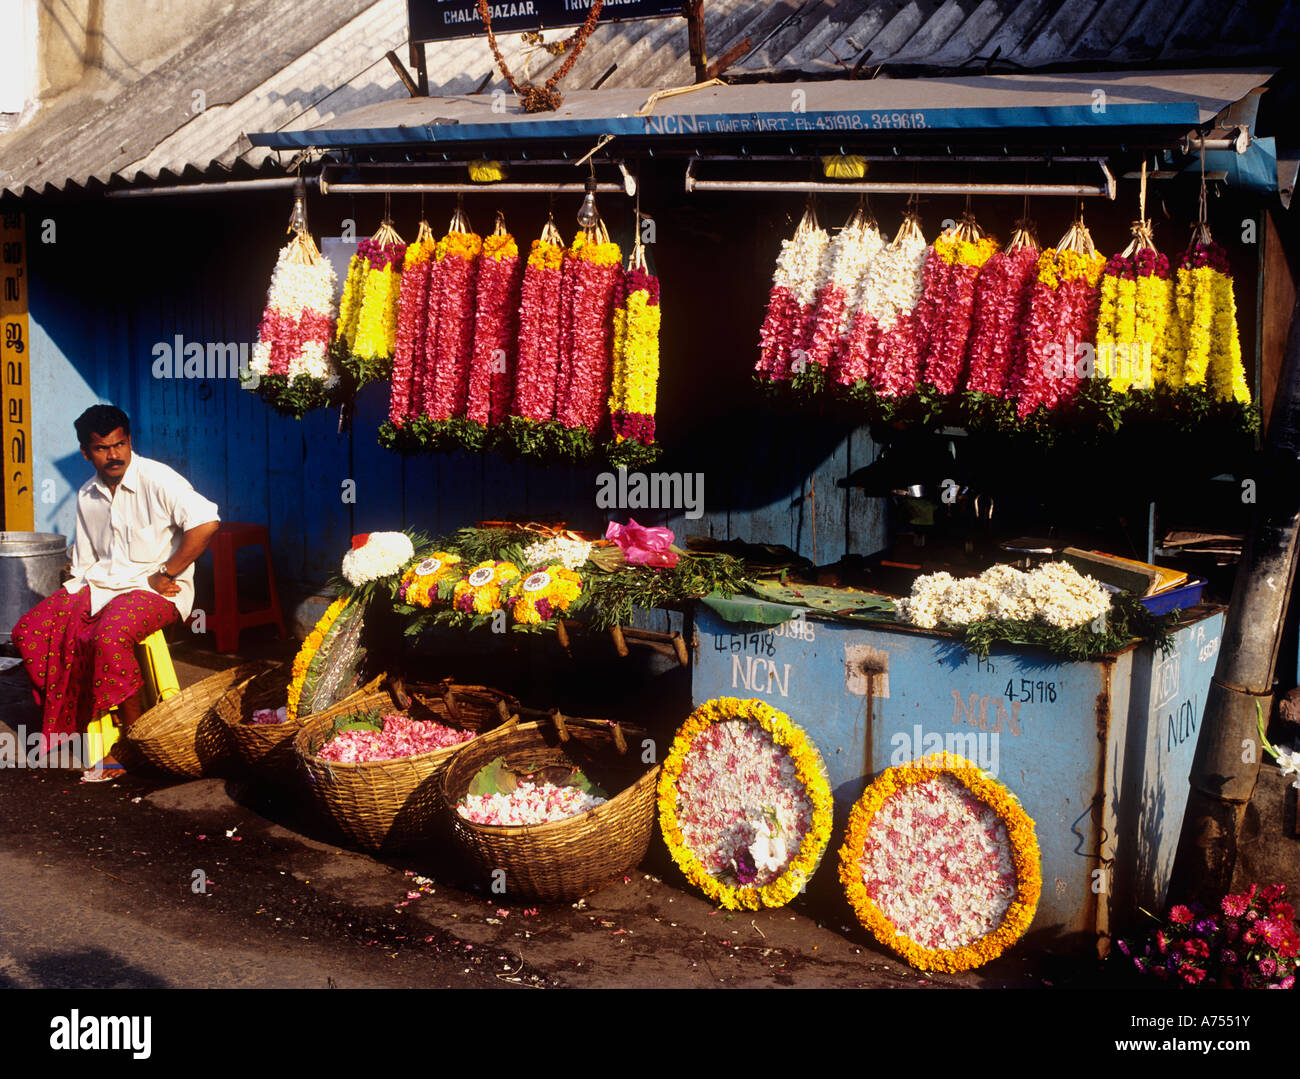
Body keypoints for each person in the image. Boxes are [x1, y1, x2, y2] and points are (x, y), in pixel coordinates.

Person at [12, 405, 220, 777]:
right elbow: (87, 562)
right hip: (103, 584)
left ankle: (131, 741)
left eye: (120, 444)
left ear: (129, 440)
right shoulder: (87, 495)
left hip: (158, 591)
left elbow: (206, 522)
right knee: (29, 631)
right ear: (86, 452)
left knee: (109, 636)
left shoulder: (158, 479)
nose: (114, 455)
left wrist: (166, 571)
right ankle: (74, 716)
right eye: (103, 448)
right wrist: (74, 597)